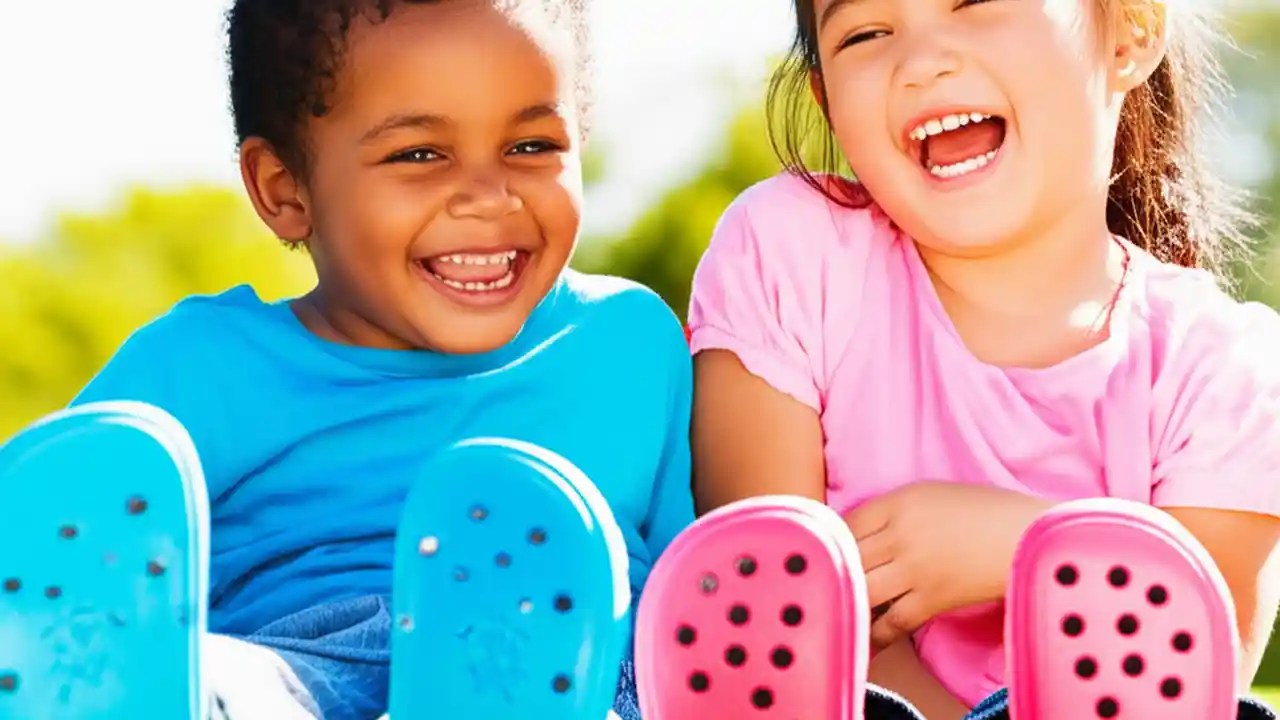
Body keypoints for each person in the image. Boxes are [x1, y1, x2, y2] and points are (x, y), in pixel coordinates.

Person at [2, 1, 695, 718]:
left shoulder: (628, 343)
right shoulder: (200, 370)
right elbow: (49, 534)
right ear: (284, 189)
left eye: (531, 146)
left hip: (572, 671)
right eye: (419, 155)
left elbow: (688, 588)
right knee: (223, 680)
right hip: (302, 676)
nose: (490, 198)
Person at [687, 0, 1280, 718]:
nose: (921, 61)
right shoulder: (790, 252)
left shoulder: (1225, 366)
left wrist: (1024, 545)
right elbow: (769, 610)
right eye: (867, 33)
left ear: (1130, 32)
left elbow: (1185, 675)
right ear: (830, 104)